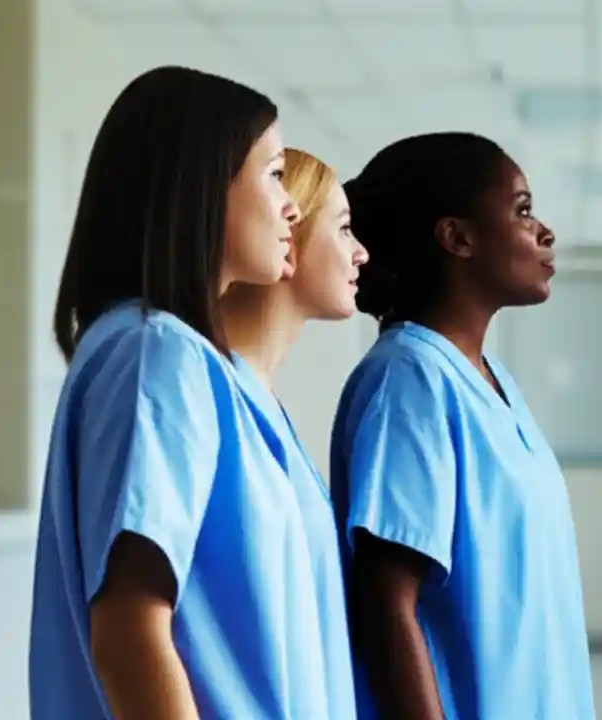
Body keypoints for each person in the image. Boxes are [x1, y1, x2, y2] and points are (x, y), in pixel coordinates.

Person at [28, 65, 328, 719]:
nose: (291, 205)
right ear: (200, 186)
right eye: (274, 174)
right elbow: (132, 633)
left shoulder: (172, 356)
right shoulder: (154, 353)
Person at [331, 132, 596, 719]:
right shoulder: (411, 379)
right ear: (457, 236)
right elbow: (386, 605)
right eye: (523, 211)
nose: (544, 232)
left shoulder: (490, 378)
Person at [220, 147, 368, 720]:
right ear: (290, 231)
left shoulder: (267, 406)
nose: (361, 253)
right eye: (345, 229)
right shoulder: (216, 397)